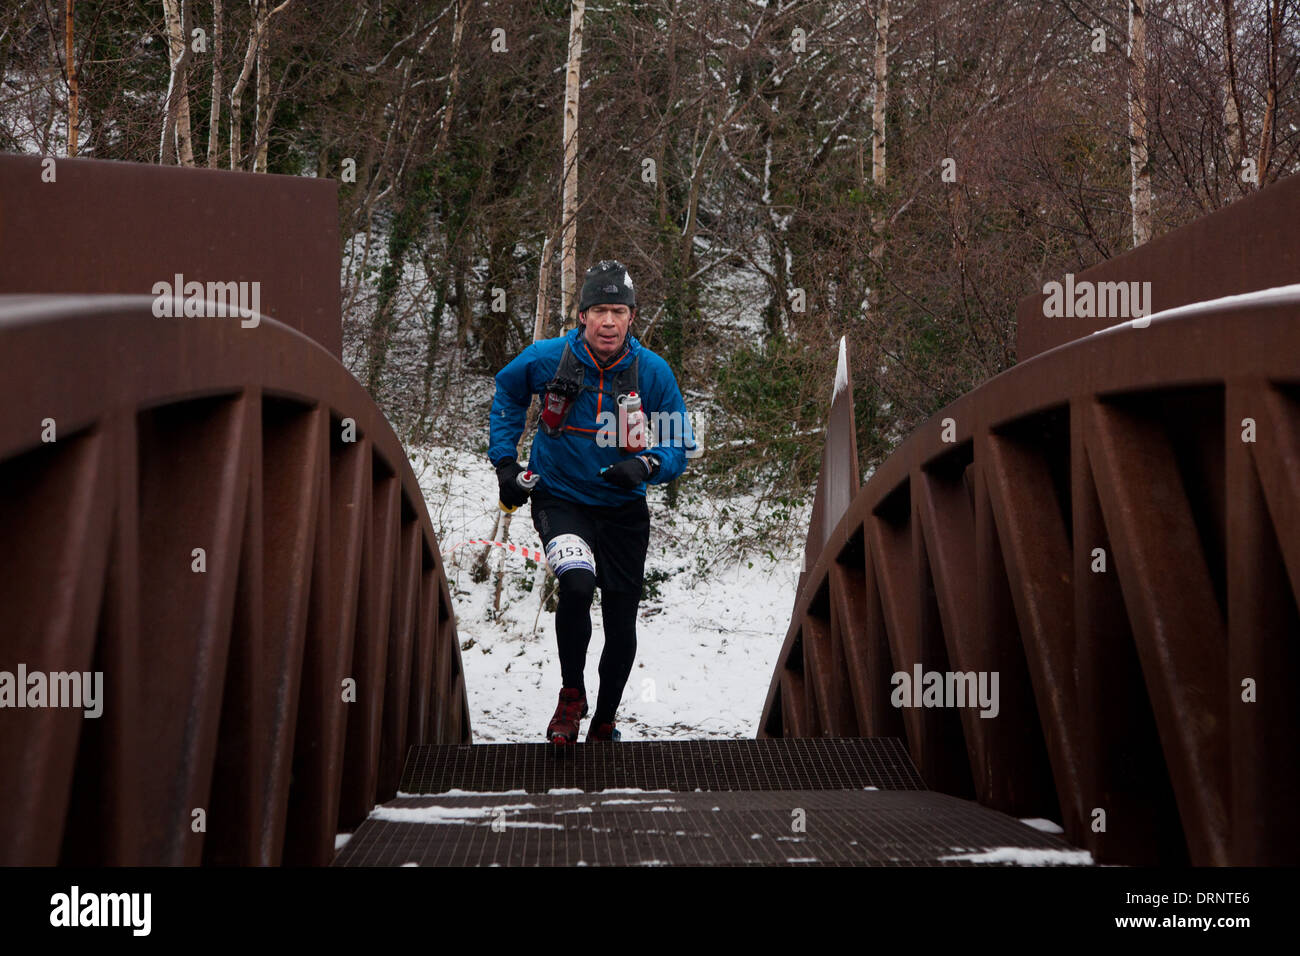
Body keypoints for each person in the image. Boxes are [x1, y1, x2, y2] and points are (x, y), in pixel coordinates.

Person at [488, 259, 695, 745]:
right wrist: (505, 463)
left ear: (631, 318)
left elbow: (679, 444)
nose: (607, 321)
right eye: (598, 310)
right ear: (582, 316)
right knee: (577, 586)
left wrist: (645, 466)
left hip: (623, 508)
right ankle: (571, 697)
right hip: (560, 499)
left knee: (621, 620)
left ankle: (605, 720)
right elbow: (507, 390)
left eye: (617, 311)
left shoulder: (652, 372)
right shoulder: (548, 358)